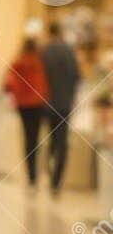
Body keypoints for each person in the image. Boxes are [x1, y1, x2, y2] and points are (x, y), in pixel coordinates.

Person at [41, 22, 83, 196]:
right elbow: (76, 76)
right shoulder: (69, 51)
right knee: (62, 141)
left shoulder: (44, 52)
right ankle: (56, 181)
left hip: (46, 102)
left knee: (50, 138)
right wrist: (71, 96)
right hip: (64, 104)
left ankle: (49, 169)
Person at [4, 38, 50, 190]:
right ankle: (36, 173)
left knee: (28, 139)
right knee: (36, 138)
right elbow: (45, 83)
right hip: (38, 104)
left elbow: (7, 83)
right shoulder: (39, 63)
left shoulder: (18, 62)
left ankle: (31, 176)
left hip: (23, 105)